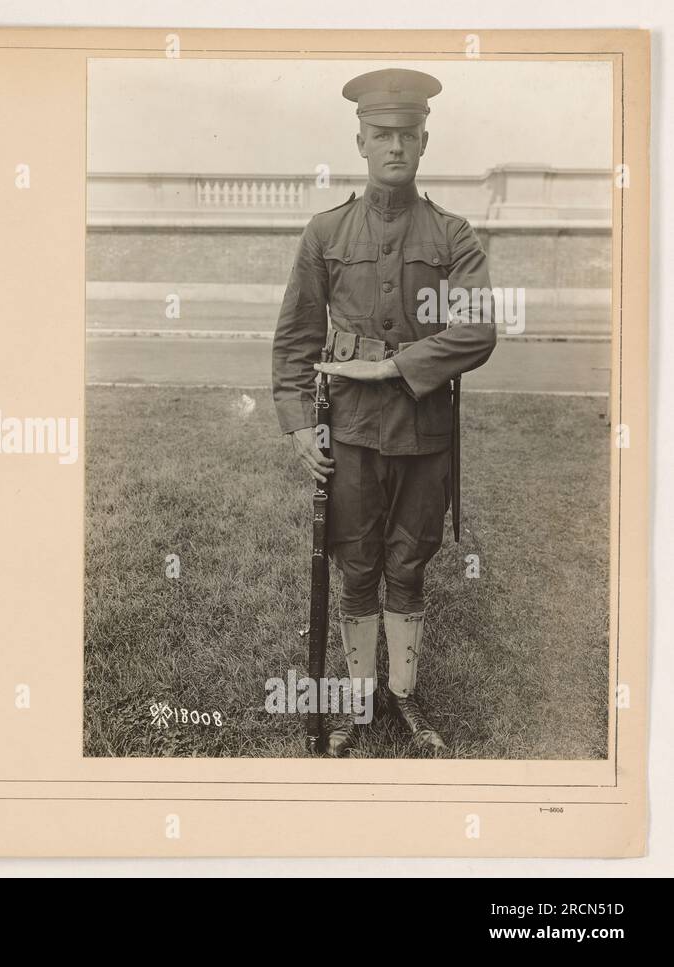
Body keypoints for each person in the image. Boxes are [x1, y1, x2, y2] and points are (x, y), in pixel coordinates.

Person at [270, 68, 497, 755]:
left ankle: (402, 692)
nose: (394, 146)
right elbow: (296, 340)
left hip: (424, 432)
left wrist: (395, 365)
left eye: (407, 134)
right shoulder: (326, 231)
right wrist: (297, 424)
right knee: (358, 564)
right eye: (381, 135)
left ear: (424, 141)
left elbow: (480, 326)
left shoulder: (453, 234)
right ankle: (359, 695)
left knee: (410, 563)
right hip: (353, 432)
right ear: (361, 141)